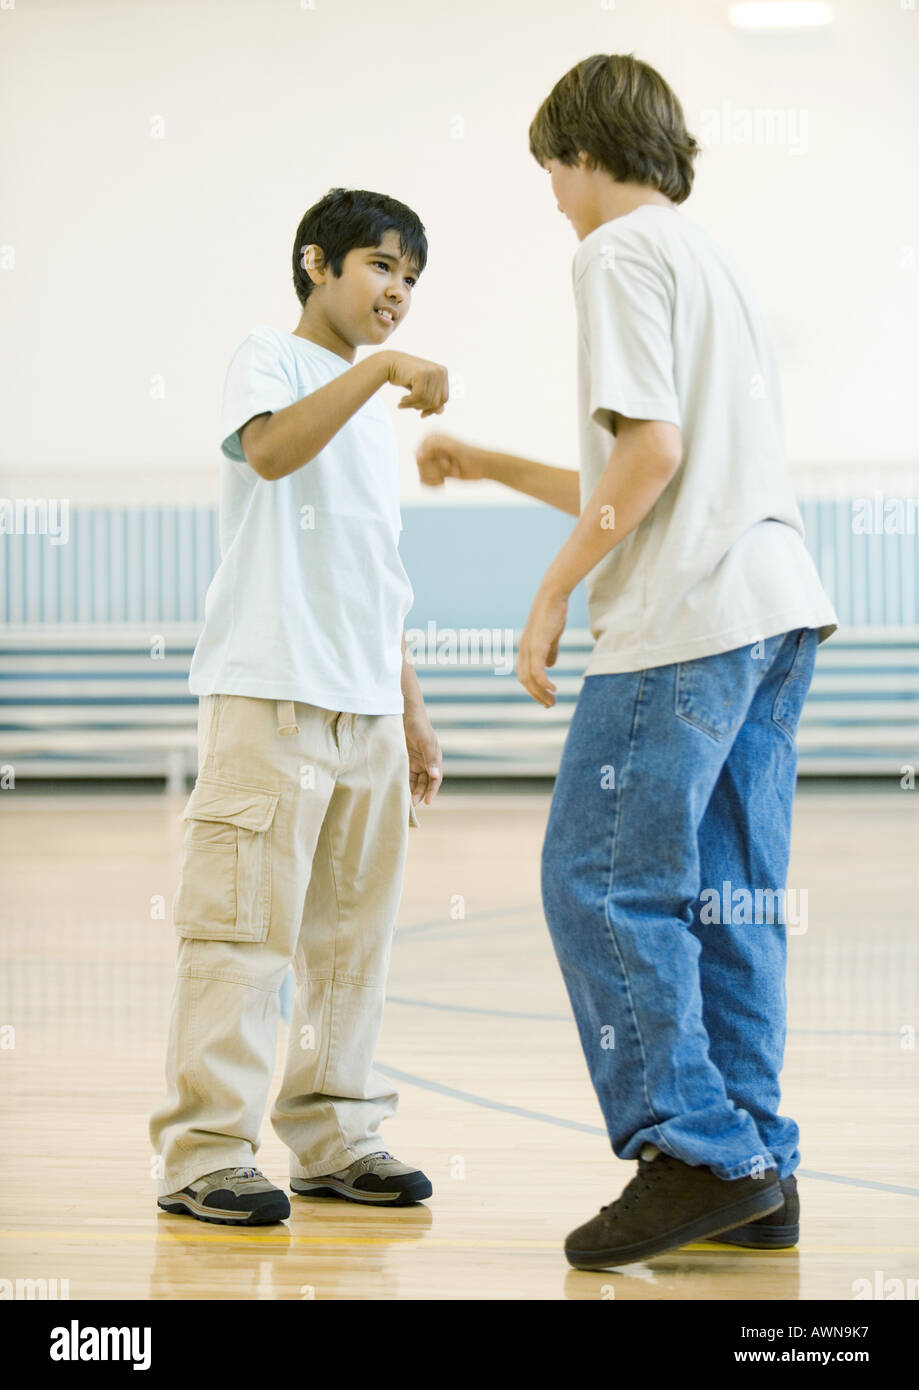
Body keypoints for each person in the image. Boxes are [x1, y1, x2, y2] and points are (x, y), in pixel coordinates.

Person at [416, 53, 838, 1269]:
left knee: (597, 884)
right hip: (771, 609)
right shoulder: (714, 265)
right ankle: (758, 1168)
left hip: (685, 623)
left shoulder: (610, 253)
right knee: (726, 902)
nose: (550, 192)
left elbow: (646, 457)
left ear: (582, 150)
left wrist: (551, 594)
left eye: (549, 166)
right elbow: (649, 472)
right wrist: (488, 463)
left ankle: (694, 1152)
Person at [149, 187, 446, 1225]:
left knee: (346, 941)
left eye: (410, 278)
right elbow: (269, 452)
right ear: (316, 264)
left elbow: (373, 565)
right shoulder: (268, 361)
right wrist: (372, 373)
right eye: (379, 266)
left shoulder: (365, 406)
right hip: (268, 698)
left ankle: (333, 1133)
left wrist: (405, 705)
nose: (397, 290)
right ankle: (204, 1154)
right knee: (240, 933)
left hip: (360, 706)